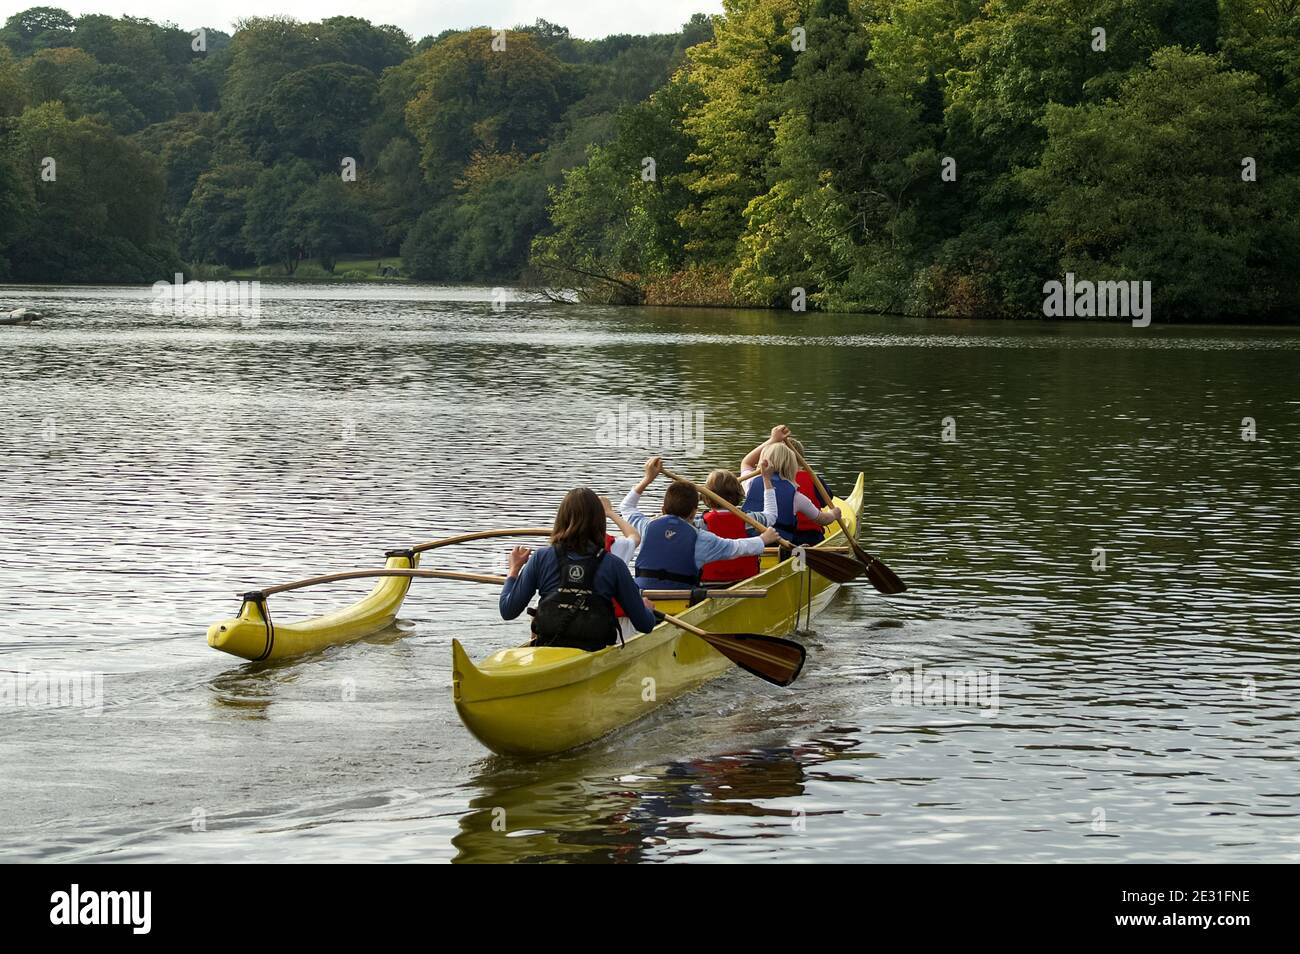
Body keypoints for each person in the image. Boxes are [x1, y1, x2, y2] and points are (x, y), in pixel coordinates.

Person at [500, 488, 656, 651]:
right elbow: (645, 625)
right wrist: (647, 610)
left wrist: (514, 570)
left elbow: (507, 610)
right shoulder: (614, 564)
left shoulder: (541, 557)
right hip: (593, 650)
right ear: (600, 522)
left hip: (547, 647)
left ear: (560, 519)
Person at [621, 457, 780, 590]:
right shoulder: (748, 521)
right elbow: (769, 517)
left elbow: (626, 507)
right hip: (738, 583)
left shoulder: (690, 525)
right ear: (694, 511)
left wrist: (647, 479)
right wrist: (767, 480)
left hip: (689, 587)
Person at [739, 437, 840, 545]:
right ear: (793, 466)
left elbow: (746, 463)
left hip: (753, 543)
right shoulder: (796, 496)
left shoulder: (749, 483)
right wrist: (833, 514)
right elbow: (822, 519)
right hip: (782, 543)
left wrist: (773, 438)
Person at [698, 463, 778, 585]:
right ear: (738, 493)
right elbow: (771, 515)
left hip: (708, 584)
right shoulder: (749, 520)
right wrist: (767, 480)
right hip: (745, 582)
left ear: (707, 496)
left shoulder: (699, 523)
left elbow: (676, 518)